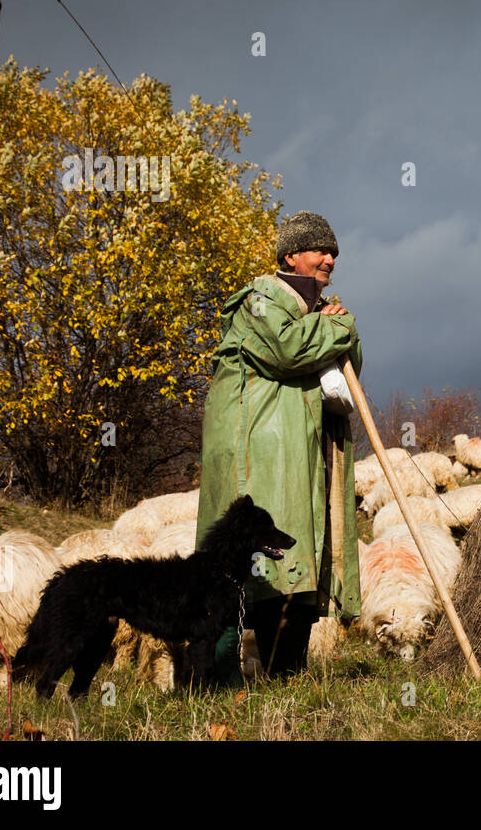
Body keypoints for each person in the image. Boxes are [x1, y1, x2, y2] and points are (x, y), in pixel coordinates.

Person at [195, 210, 362, 679]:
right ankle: (214, 678)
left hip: (303, 448)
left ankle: (286, 676)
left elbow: (347, 367)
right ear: (290, 255)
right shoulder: (261, 299)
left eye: (333, 252)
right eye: (318, 249)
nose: (328, 258)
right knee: (244, 567)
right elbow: (288, 351)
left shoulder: (320, 310)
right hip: (262, 447)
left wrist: (341, 327)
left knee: (299, 564)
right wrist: (339, 327)